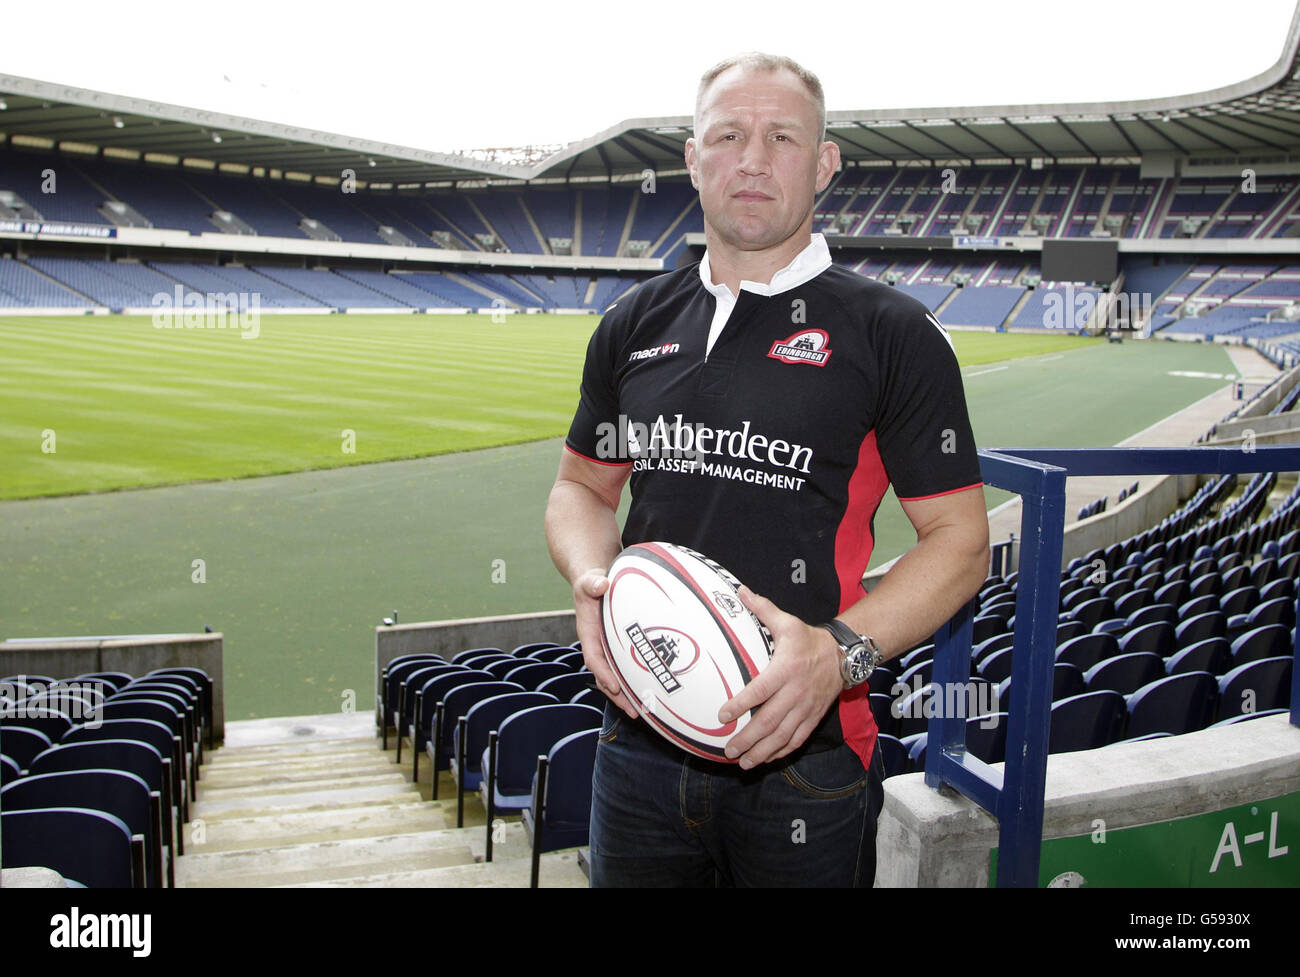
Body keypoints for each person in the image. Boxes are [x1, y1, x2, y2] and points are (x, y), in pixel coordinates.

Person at [544, 52, 990, 887]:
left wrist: (839, 655)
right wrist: (592, 578)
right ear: (692, 158)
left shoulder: (893, 332)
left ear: (823, 164)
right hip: (637, 738)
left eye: (782, 138)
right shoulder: (631, 322)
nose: (752, 159)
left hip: (807, 762)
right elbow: (581, 488)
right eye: (729, 135)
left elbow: (961, 544)